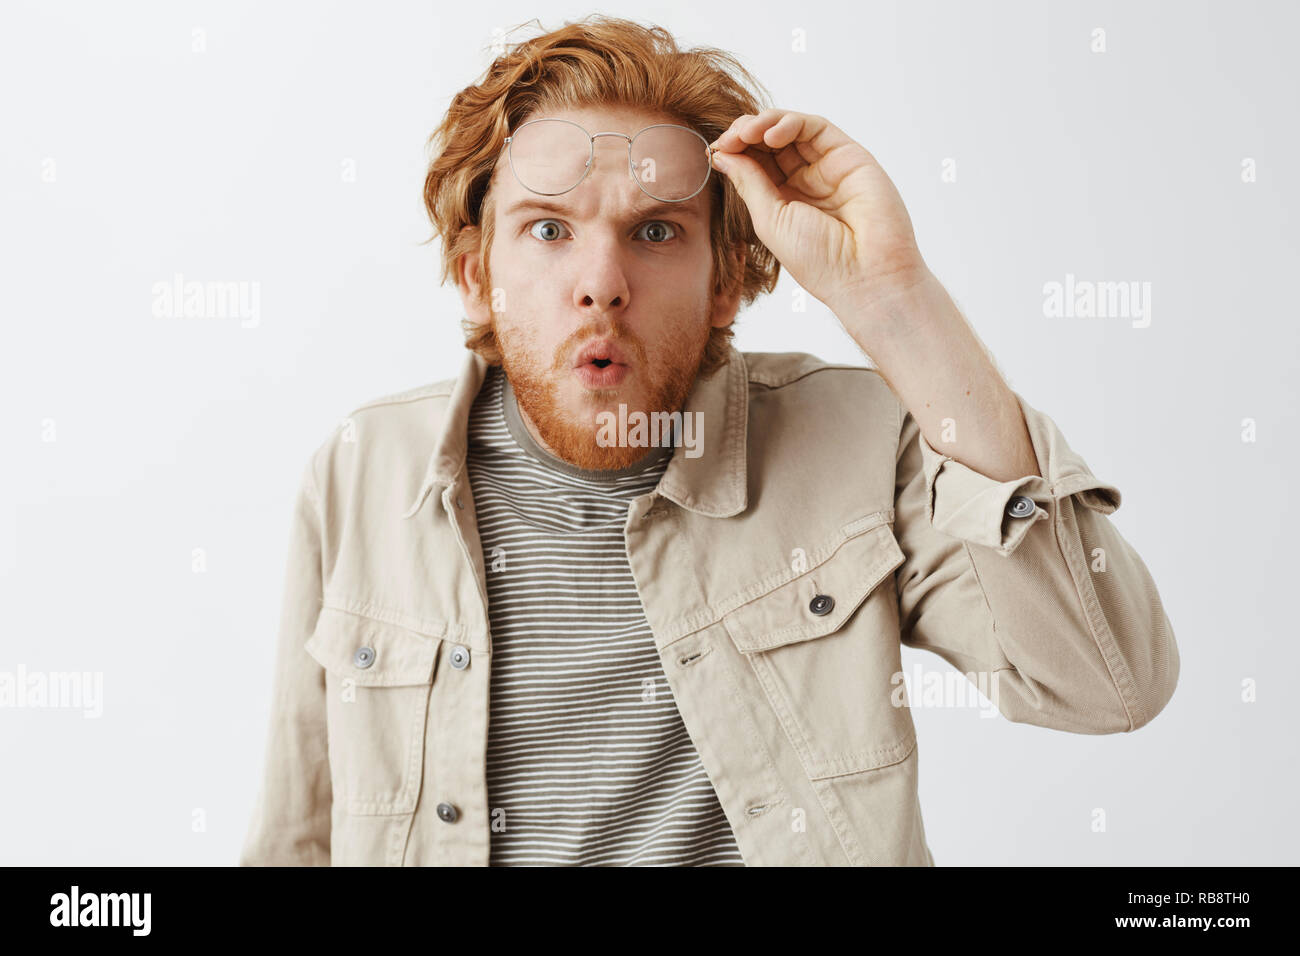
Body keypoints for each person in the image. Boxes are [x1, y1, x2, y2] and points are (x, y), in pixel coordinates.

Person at [240, 15, 1178, 867]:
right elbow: (296, 838)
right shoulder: (362, 471)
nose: (601, 283)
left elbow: (1110, 683)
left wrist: (891, 297)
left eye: (654, 230)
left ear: (726, 281)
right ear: (477, 277)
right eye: (548, 229)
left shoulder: (860, 442)